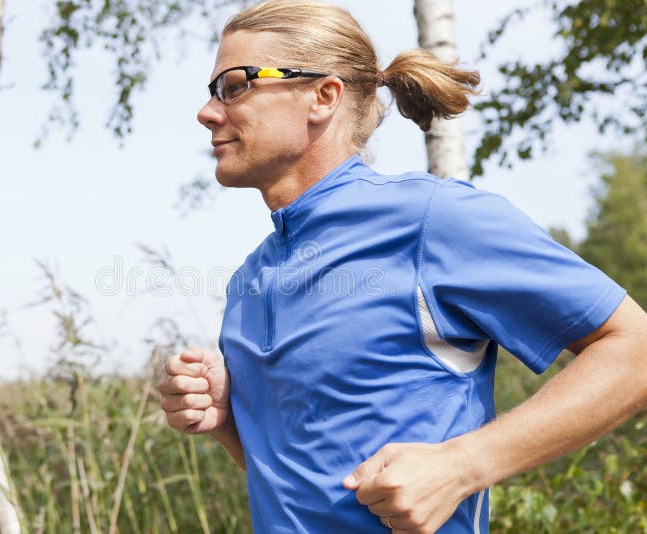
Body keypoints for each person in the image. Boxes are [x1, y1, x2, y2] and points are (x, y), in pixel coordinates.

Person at [158, 1, 647, 532]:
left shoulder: (434, 221)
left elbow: (635, 351)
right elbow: (301, 483)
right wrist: (230, 421)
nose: (208, 112)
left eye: (234, 86)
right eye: (213, 93)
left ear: (322, 96)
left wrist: (463, 465)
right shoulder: (248, 281)